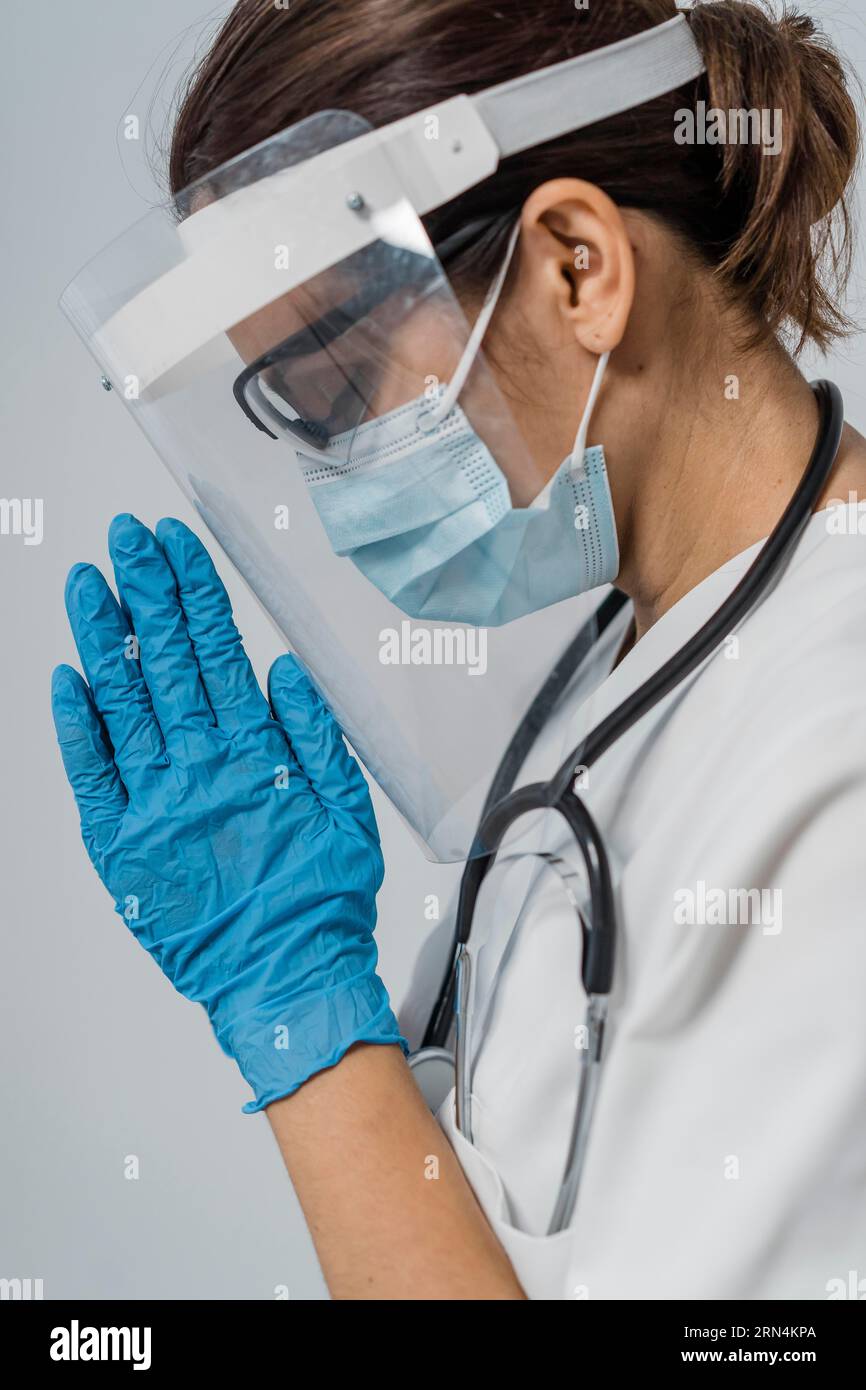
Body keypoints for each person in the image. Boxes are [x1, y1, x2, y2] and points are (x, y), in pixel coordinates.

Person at [52, 0, 866, 1299]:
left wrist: (305, 1017)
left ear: (575, 268)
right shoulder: (623, 671)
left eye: (338, 388)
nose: (333, 473)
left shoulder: (835, 741)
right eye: (290, 417)